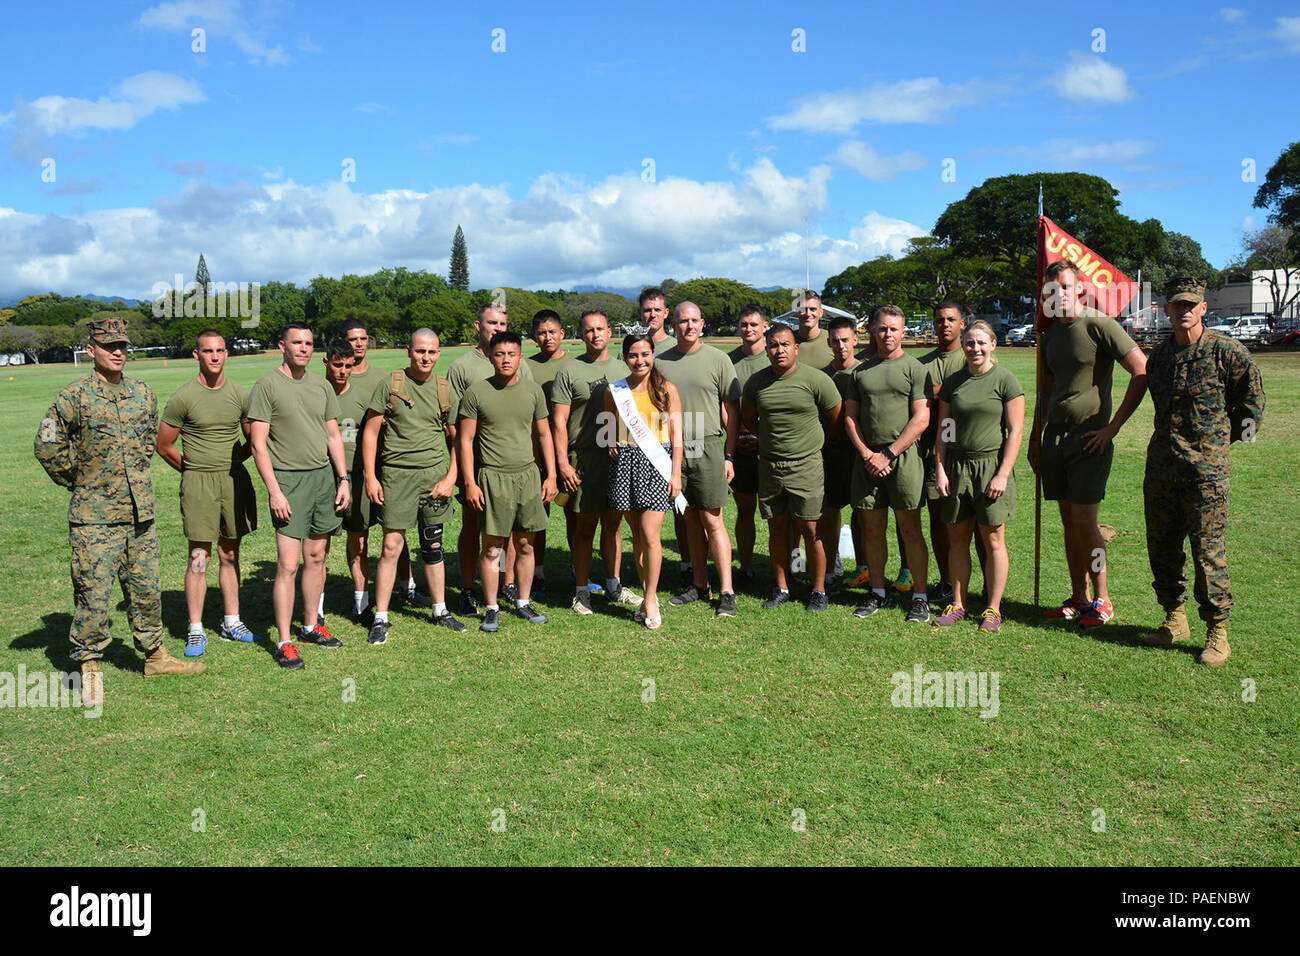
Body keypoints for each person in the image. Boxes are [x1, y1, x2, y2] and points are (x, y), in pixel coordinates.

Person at [35, 316, 205, 705]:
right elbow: (46, 444)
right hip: (94, 517)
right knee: (94, 595)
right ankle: (89, 666)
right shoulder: (73, 396)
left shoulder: (143, 393)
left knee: (146, 590)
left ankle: (156, 656)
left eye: (122, 346)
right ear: (91, 350)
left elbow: (148, 442)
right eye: (108, 346)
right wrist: (79, 478)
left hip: (139, 514)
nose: (117, 352)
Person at [1140, 277, 1265, 666]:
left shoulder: (1226, 352)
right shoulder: (1158, 358)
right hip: (1162, 467)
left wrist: (1226, 443)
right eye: (1177, 304)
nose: (1185, 311)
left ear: (1204, 308)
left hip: (1206, 473)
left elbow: (1253, 399)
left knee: (1207, 551)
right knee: (1162, 546)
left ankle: (1217, 630)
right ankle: (1174, 619)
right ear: (1167, 309)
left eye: (1191, 304)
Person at [1028, 260, 1148, 627]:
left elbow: (1141, 370)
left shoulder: (1100, 325)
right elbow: (1044, 393)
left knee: (1086, 522)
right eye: (1051, 289)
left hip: (1090, 440)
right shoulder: (1049, 336)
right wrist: (1036, 438)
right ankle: (1079, 598)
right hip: (1055, 440)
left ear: (1079, 289)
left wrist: (1112, 428)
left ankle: (1103, 600)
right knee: (1068, 522)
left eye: (1064, 287)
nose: (1058, 294)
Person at [247, 322, 351, 669]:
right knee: (288, 565)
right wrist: (274, 491)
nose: (303, 348)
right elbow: (258, 445)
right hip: (288, 482)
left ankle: (310, 626)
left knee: (317, 557)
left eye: (308, 343)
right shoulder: (267, 385)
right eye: (296, 343)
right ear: (282, 346)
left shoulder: (322, 385)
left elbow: (334, 436)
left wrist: (343, 479)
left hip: (323, 479)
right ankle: (284, 641)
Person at [156, 329, 260, 656]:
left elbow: (253, 440)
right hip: (198, 482)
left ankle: (232, 622)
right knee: (199, 556)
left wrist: (233, 461)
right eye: (207, 351)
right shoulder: (183, 397)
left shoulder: (240, 395)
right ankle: (196, 629)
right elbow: (164, 445)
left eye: (219, 351)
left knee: (230, 553)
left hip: (232, 480)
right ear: (196, 355)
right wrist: (193, 470)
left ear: (226, 354)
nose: (214, 357)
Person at [360, 329, 465, 643]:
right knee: (391, 546)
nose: (426, 357)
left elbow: (457, 439)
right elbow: (370, 433)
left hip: (434, 478)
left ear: (438, 353)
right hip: (397, 476)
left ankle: (440, 609)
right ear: (408, 351)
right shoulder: (391, 385)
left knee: (433, 546)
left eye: (432, 352)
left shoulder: (444, 388)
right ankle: (380, 617)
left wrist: (451, 478)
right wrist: (370, 476)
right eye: (420, 351)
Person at [457, 331, 557, 632]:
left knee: (526, 543)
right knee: (492, 548)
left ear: (520, 357)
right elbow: (465, 440)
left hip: (527, 475)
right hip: (492, 477)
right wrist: (470, 483)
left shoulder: (533, 391)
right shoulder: (476, 392)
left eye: (511, 354)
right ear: (490, 357)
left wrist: (550, 474)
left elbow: (543, 434)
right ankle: (491, 608)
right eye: (499, 354)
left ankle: (523, 602)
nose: (505, 360)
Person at [932, 321, 1025, 632]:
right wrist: (941, 469)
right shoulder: (953, 383)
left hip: (991, 468)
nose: (975, 348)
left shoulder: (1006, 381)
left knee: (994, 539)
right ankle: (957, 603)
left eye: (981, 343)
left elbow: (1015, 433)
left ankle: (993, 609)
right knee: (957, 539)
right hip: (958, 468)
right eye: (970, 343)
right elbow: (944, 431)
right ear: (963, 345)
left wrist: (1002, 474)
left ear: (993, 345)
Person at [741, 325, 842, 611]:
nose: (779, 350)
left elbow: (835, 415)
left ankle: (818, 590)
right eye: (773, 345)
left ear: (796, 348)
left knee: (811, 528)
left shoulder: (815, 379)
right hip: (770, 465)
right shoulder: (757, 383)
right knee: (777, 527)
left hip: (806, 464)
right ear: (766, 348)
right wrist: (766, 439)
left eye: (785, 344)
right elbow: (749, 418)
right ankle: (782, 586)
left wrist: (817, 440)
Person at [844, 305, 932, 622]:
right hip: (867, 459)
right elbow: (850, 418)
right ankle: (877, 592)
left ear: (903, 332)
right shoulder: (861, 371)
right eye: (882, 328)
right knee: (872, 528)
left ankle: (919, 597)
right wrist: (869, 454)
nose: (887, 334)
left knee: (910, 528)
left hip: (903, 458)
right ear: (872, 330)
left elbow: (922, 418)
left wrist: (890, 453)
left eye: (894, 329)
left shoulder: (916, 369)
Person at [445, 305, 534, 615]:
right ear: (477, 326)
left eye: (503, 323)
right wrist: (464, 473)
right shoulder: (462, 367)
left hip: (515, 466)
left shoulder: (519, 363)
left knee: (512, 530)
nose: (497, 327)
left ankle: (508, 585)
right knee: (474, 527)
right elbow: (456, 426)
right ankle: (469, 589)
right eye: (492, 322)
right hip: (478, 465)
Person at [336, 317, 426, 621]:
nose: (358, 344)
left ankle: (408, 585)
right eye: (352, 339)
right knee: (358, 537)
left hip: (387, 466)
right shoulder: (336, 377)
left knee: (394, 533)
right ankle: (361, 599)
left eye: (363, 338)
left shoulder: (383, 377)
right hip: (354, 470)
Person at [657, 301, 741, 616]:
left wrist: (729, 455)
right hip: (672, 445)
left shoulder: (718, 359)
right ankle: (699, 584)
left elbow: (732, 412)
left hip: (706, 443)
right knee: (689, 517)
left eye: (693, 321)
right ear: (673, 324)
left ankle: (727, 591)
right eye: (682, 321)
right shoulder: (659, 361)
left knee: (712, 519)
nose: (688, 326)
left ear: (702, 323)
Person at [551, 311, 635, 613]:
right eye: (588, 330)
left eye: (600, 329)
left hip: (618, 457)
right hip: (584, 457)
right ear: (581, 334)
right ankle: (581, 591)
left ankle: (614, 586)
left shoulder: (623, 367)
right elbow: (558, 422)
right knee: (584, 528)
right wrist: (563, 464)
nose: (595, 334)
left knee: (613, 525)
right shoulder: (569, 371)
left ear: (609, 332)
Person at [604, 333, 684, 629]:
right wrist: (611, 438)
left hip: (657, 464)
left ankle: (650, 597)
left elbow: (677, 437)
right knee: (637, 535)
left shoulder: (667, 389)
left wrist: (675, 473)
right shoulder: (614, 391)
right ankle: (646, 590)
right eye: (633, 355)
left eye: (645, 354)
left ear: (653, 355)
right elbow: (608, 421)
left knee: (651, 535)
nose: (640, 360)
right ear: (625, 358)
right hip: (625, 465)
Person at [917, 302, 970, 605]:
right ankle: (947, 581)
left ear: (962, 323)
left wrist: (935, 392)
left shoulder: (973, 354)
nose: (945, 324)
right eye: (939, 320)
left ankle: (985, 586)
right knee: (938, 520)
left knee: (972, 524)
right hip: (932, 452)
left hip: (967, 450)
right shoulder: (922, 364)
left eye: (951, 319)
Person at [816, 316, 867, 592]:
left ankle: (863, 566)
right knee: (830, 510)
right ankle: (833, 562)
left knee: (863, 511)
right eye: (835, 340)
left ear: (855, 340)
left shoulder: (866, 372)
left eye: (845, 339)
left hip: (860, 452)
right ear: (828, 343)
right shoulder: (822, 376)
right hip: (830, 452)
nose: (840, 345)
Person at [525, 309, 573, 597]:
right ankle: (538, 573)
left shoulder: (574, 363)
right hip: (534, 453)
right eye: (541, 333)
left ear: (562, 334)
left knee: (575, 516)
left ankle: (578, 571)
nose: (547, 337)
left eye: (552, 332)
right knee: (536, 517)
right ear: (534, 337)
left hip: (568, 452)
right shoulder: (525, 366)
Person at [726, 304, 770, 588]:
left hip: (772, 448)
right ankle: (747, 567)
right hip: (739, 447)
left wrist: (762, 438)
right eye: (744, 324)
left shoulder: (777, 355)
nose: (749, 329)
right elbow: (724, 403)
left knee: (783, 513)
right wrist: (739, 438)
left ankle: (791, 566)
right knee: (745, 510)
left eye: (754, 324)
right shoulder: (728, 361)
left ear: (764, 326)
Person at [793, 290, 834, 370]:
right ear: (797, 312)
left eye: (813, 309)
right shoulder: (787, 341)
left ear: (821, 312)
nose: (808, 314)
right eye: (803, 309)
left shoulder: (833, 339)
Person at [639, 286, 676, 354]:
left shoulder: (678, 347)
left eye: (657, 310)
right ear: (639, 313)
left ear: (665, 313)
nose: (653, 315)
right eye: (648, 310)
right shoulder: (630, 349)